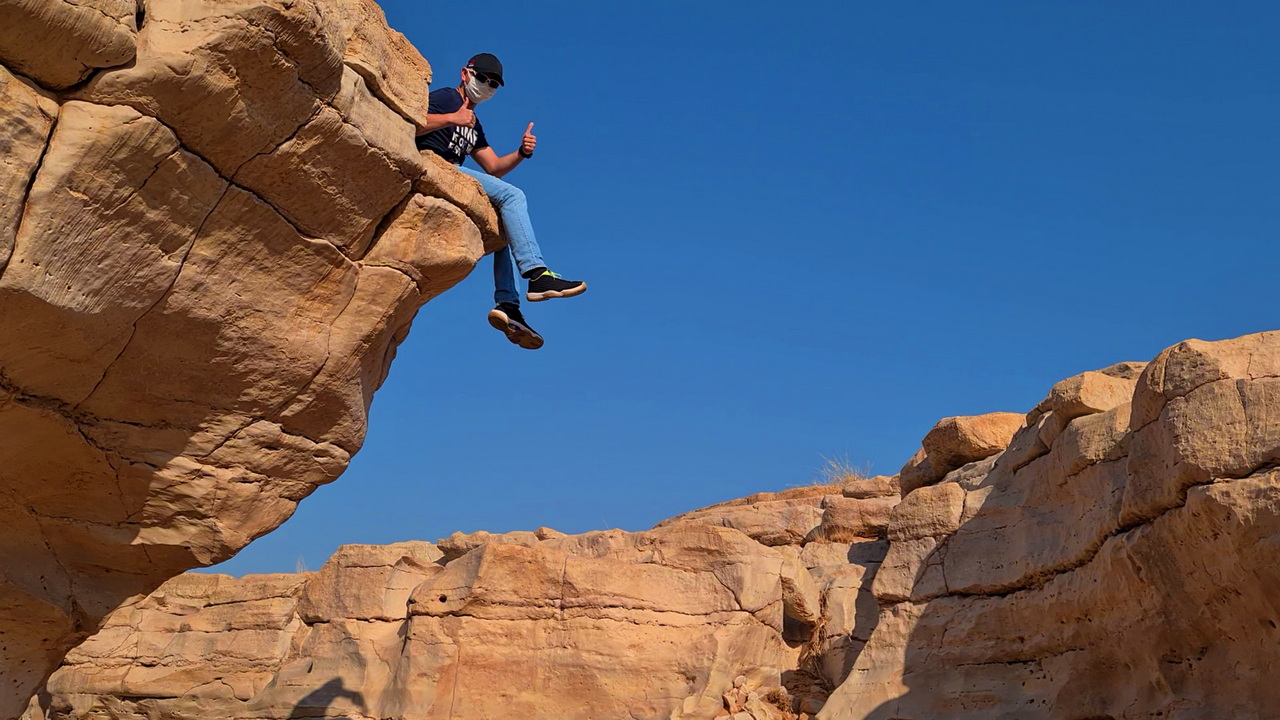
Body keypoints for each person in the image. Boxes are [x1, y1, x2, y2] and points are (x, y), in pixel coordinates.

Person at [415, 53, 585, 350]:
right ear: (465, 74)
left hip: (457, 176)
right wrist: (452, 118)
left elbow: (493, 166)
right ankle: (536, 273)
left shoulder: (474, 122)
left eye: (493, 84)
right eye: (483, 78)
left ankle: (509, 305)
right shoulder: (445, 99)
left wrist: (522, 152)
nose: (487, 86)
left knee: (506, 225)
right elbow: (413, 121)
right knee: (513, 195)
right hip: (437, 166)